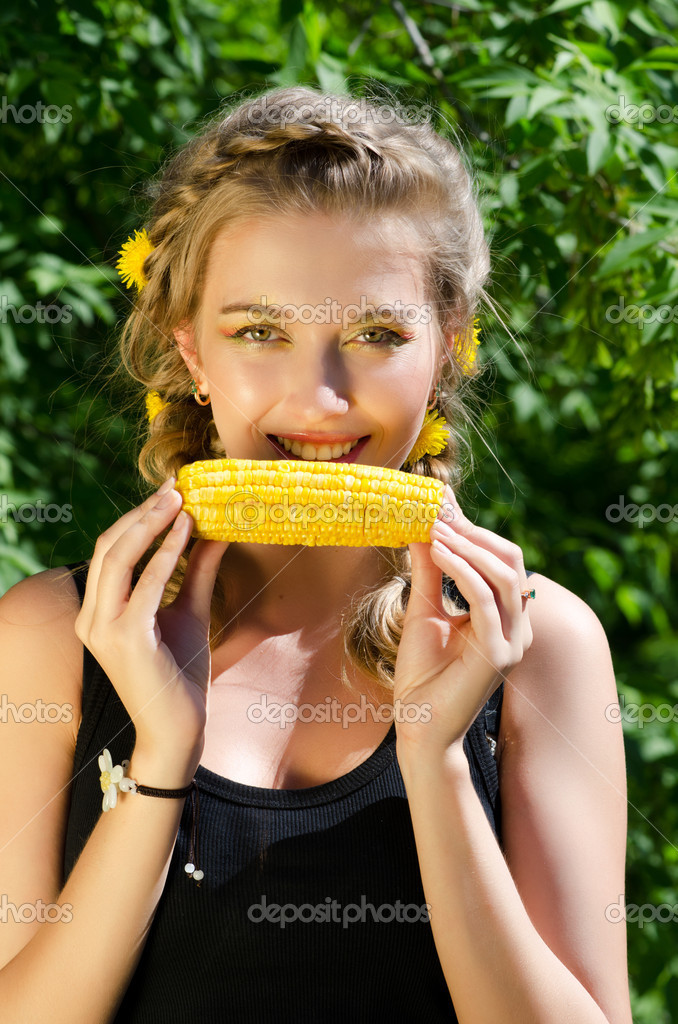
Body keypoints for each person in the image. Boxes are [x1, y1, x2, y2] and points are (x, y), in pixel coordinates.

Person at [0, 85, 632, 1023]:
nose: (321, 400)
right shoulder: (51, 638)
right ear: (192, 355)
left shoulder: (539, 646)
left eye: (375, 335)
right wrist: (162, 757)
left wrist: (436, 759)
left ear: (449, 347)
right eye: (260, 333)